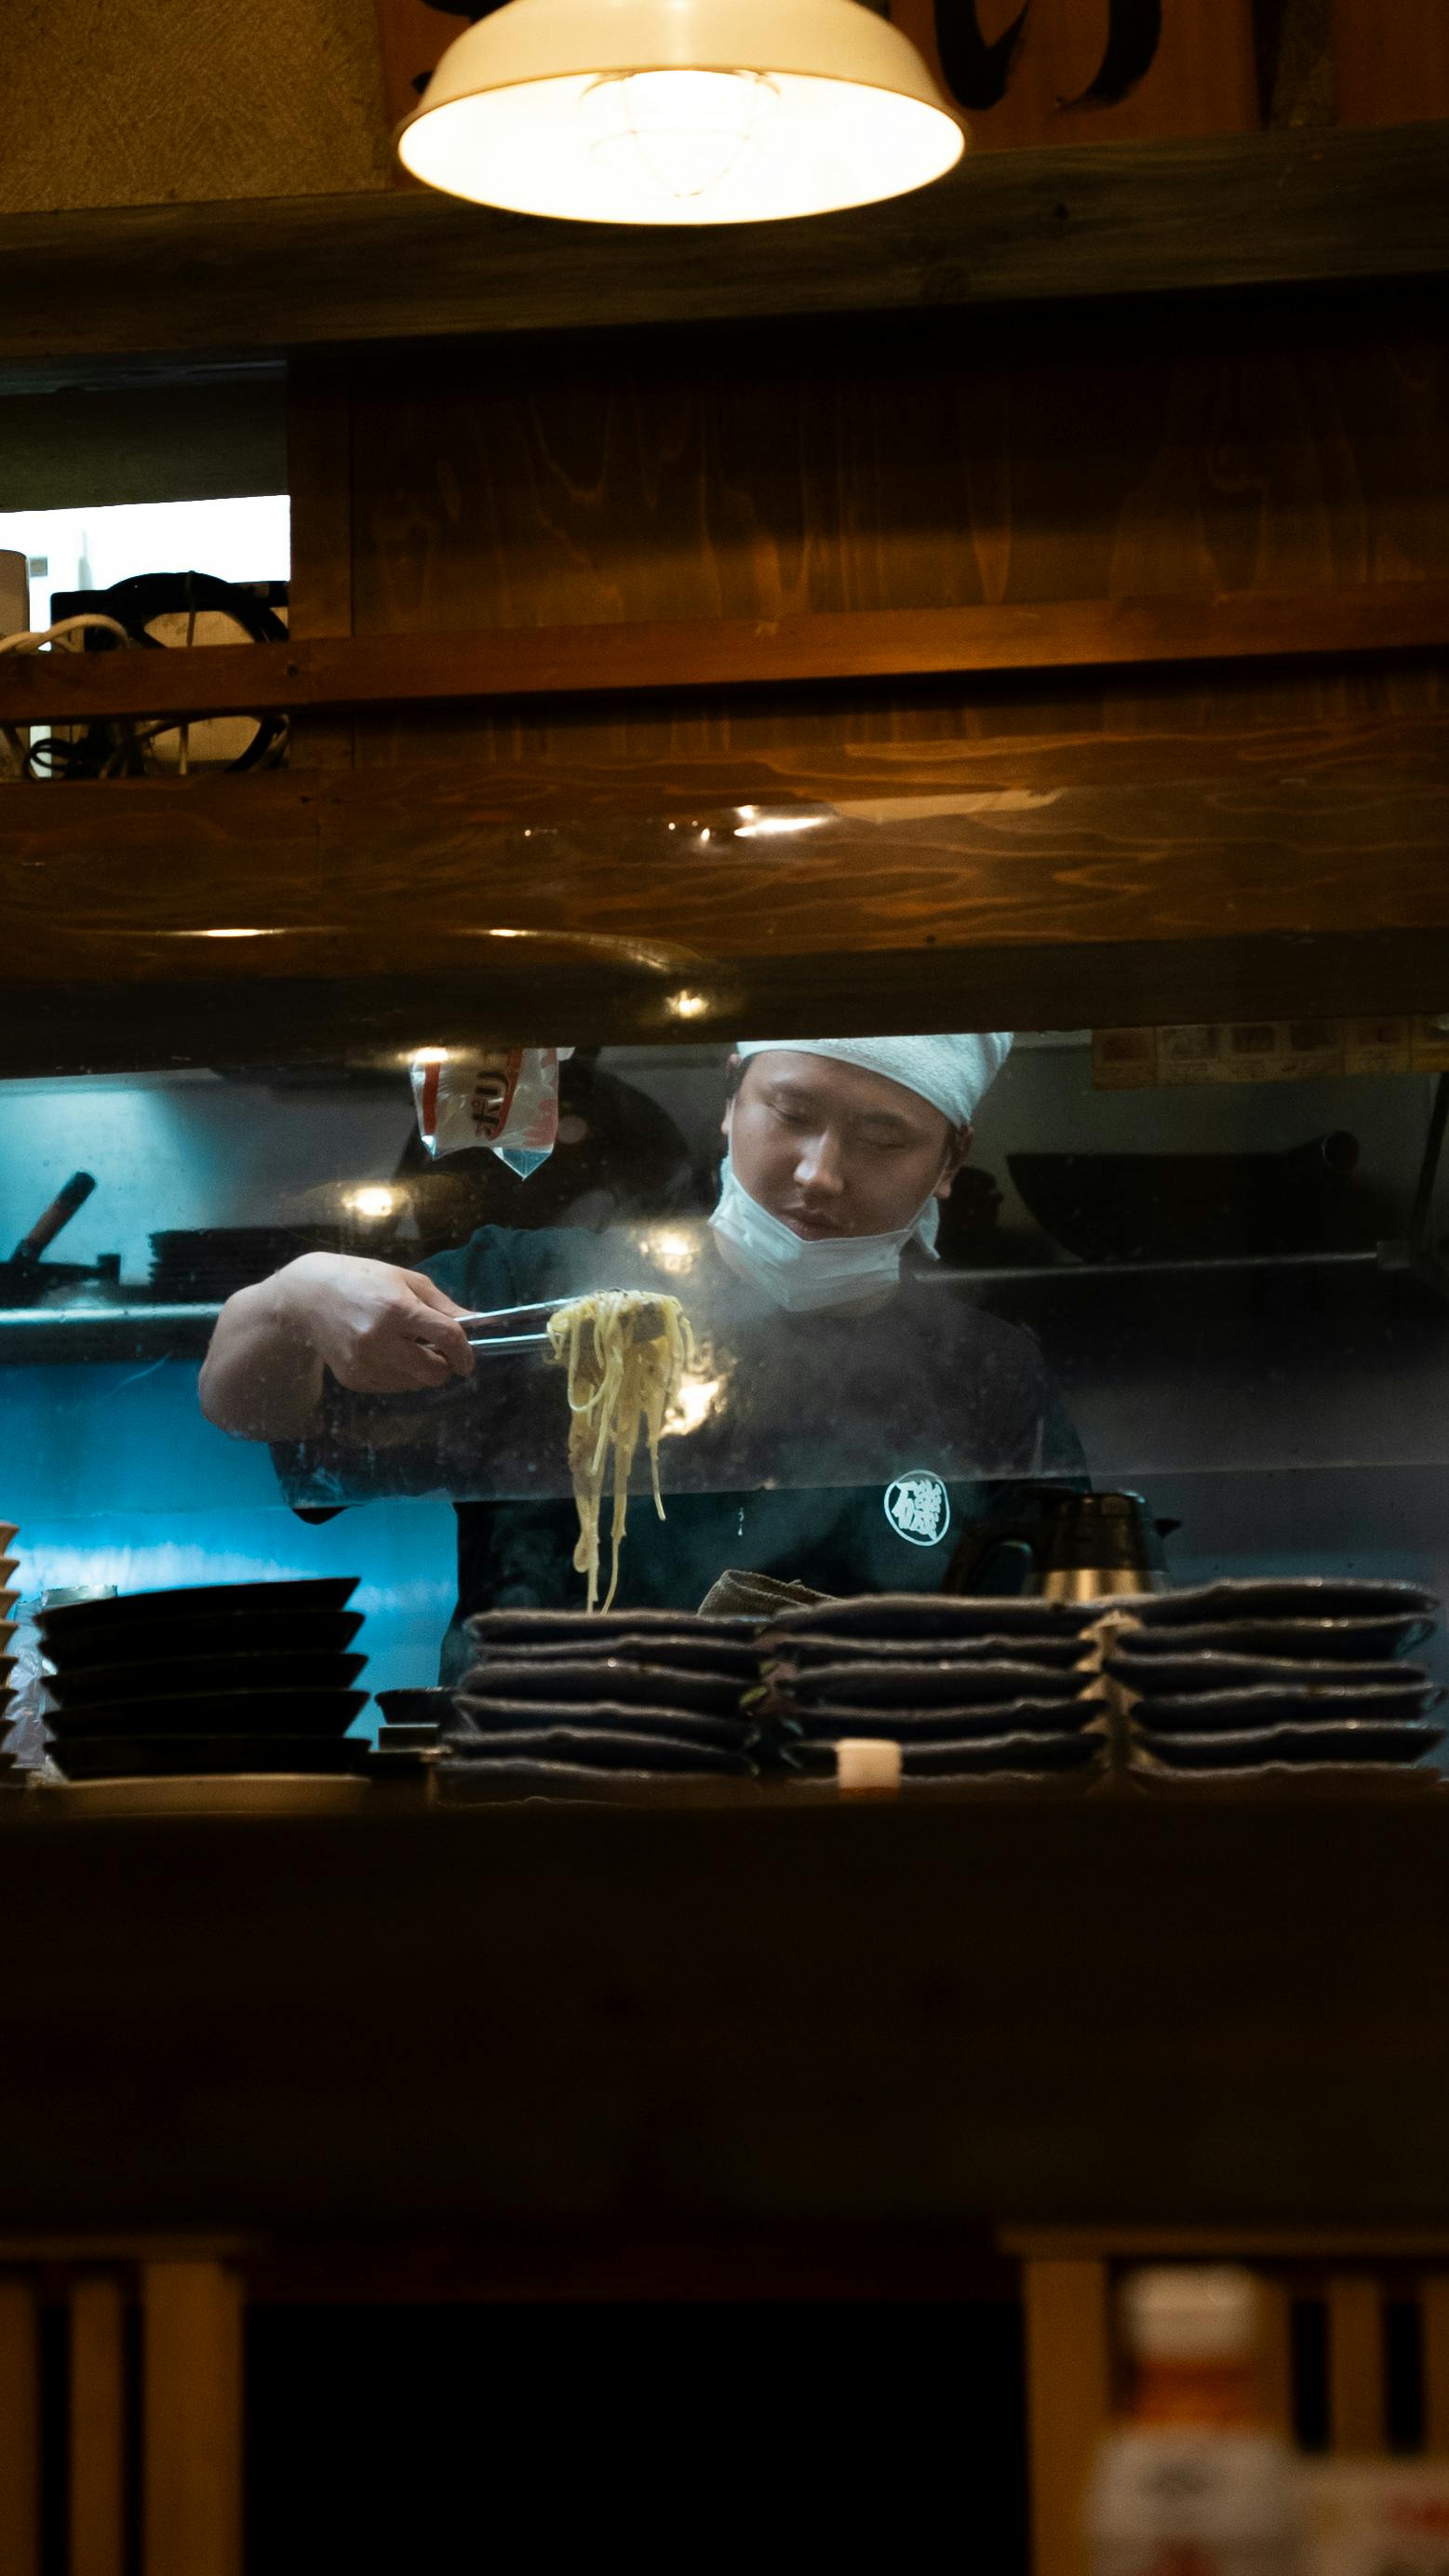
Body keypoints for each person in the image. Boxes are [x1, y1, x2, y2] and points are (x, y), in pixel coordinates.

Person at [200, 1034, 1086, 1675]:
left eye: (884, 1139)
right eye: (792, 1113)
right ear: (733, 1093)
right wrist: (288, 1300)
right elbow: (253, 1413)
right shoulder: (534, 1284)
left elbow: (1048, 1649)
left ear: (949, 1159)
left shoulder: (987, 1370)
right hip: (542, 1816)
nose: (821, 1173)